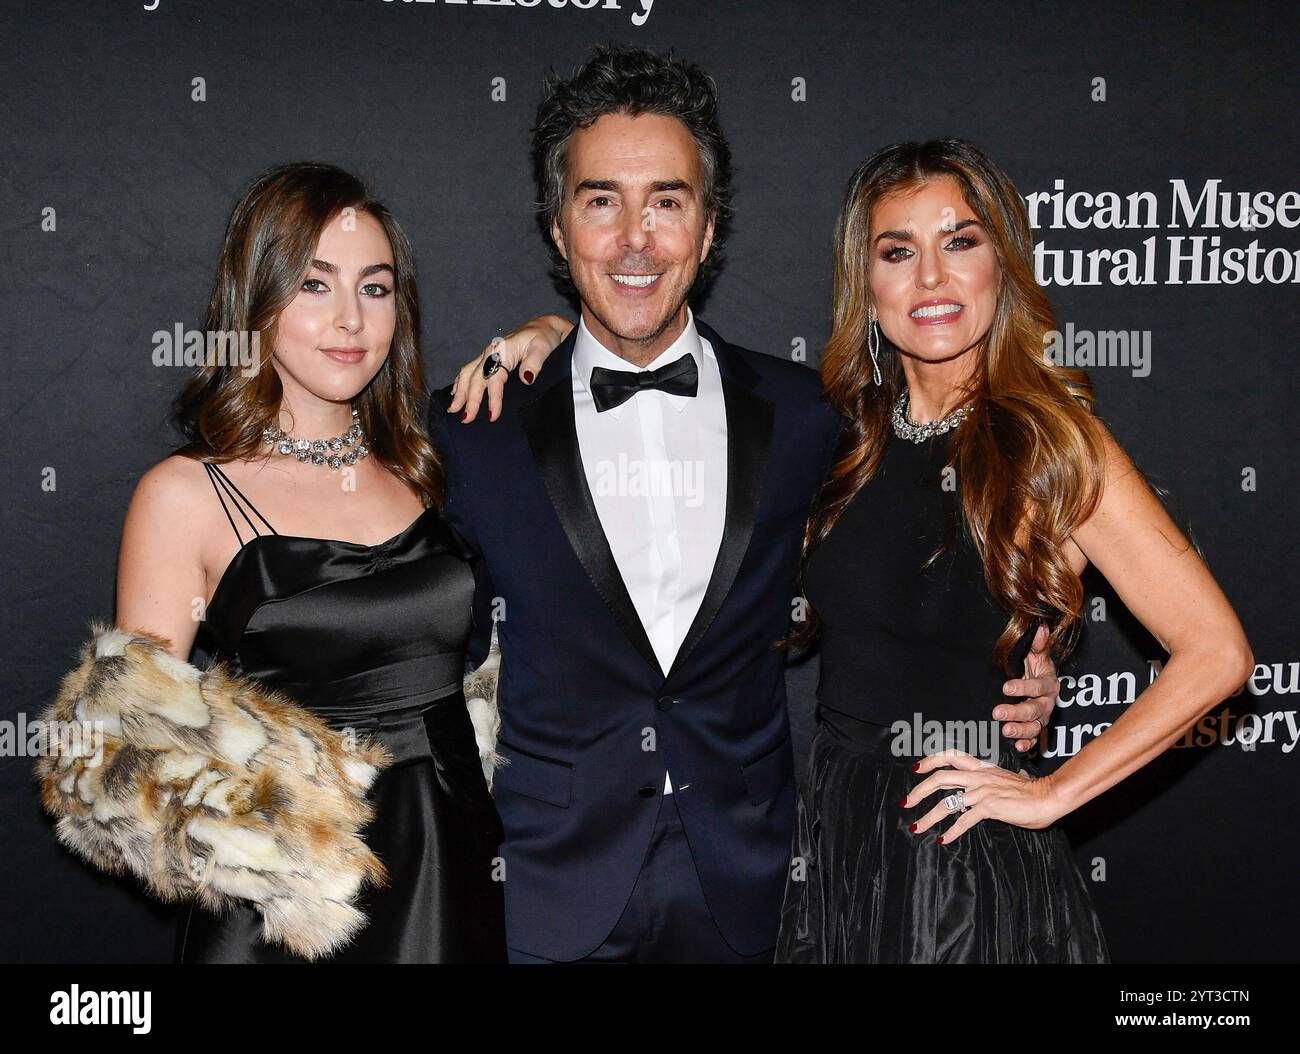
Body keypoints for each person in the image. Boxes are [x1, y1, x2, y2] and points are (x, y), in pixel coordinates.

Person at [430, 46, 1058, 963]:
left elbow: (931, 558)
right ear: (559, 232)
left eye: (668, 203)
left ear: (710, 227)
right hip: (542, 893)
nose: (635, 238)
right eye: (601, 201)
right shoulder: (474, 430)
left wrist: (1025, 661)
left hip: (760, 893)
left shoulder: (815, 417)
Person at [766, 141, 1253, 962]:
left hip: (960, 861)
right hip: (839, 841)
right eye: (897, 252)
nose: (931, 279)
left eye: (960, 242)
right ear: (867, 283)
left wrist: (1055, 792)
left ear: (1003, 261)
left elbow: (1217, 653)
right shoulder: (843, 440)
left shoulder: (1053, 446)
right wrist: (551, 333)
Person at [115, 162, 507, 962]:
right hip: (283, 921)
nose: (350, 320)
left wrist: (544, 330)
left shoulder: (427, 465)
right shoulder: (186, 494)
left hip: (447, 873)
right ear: (255, 300)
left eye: (376, 287)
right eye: (315, 285)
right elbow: (134, 761)